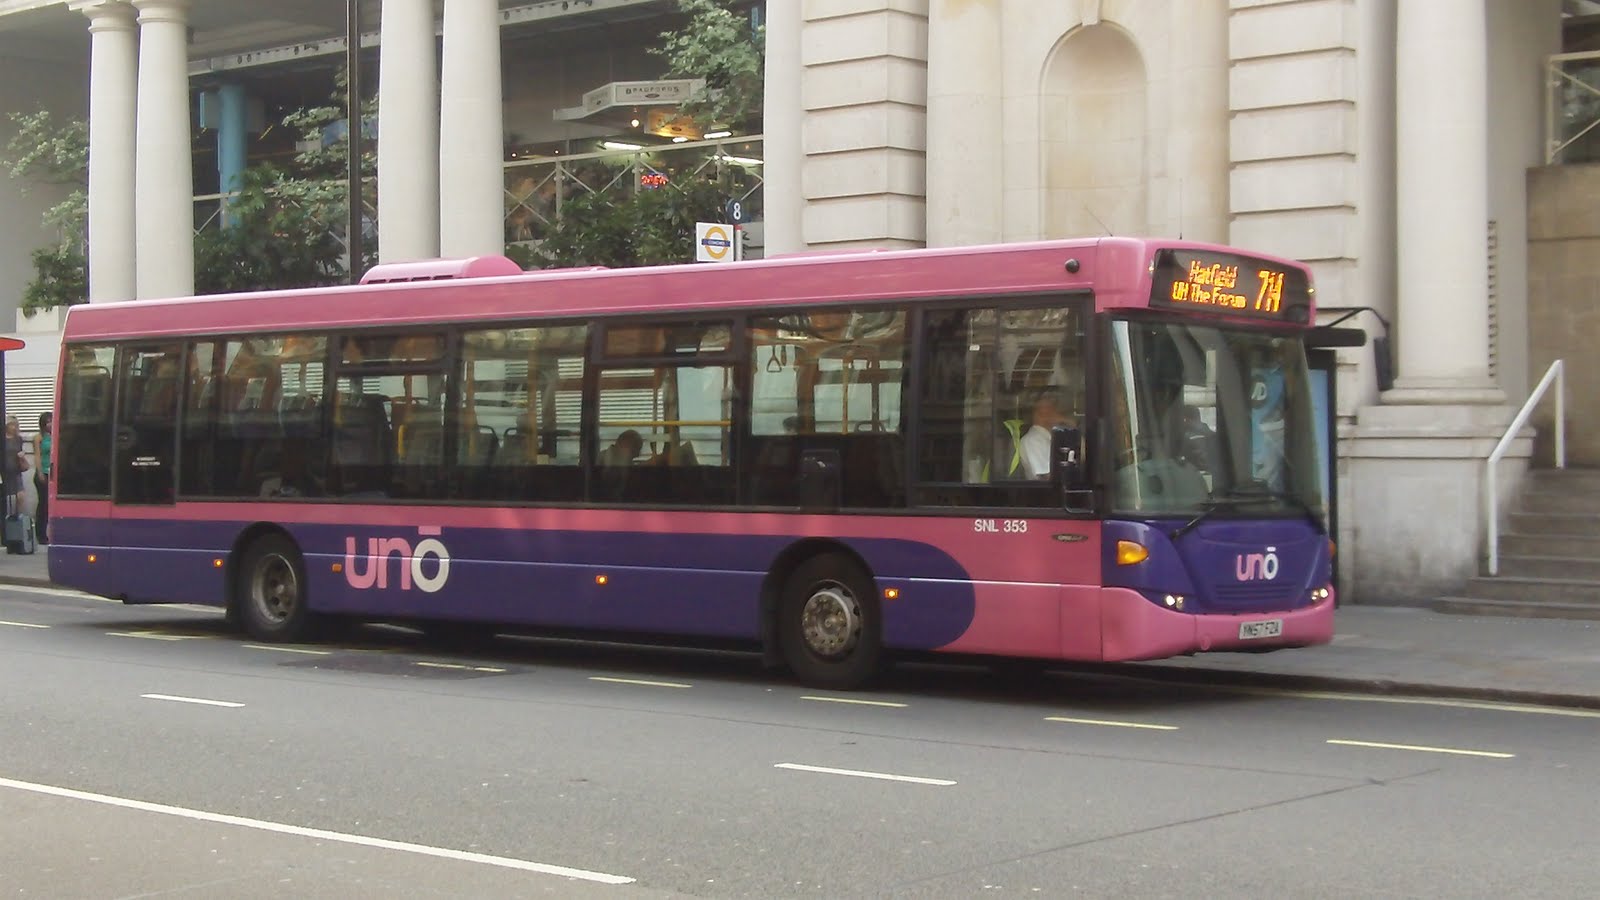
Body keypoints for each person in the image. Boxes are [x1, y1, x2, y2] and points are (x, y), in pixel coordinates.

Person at [1020, 393, 1072, 479]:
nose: (1055, 415)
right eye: (1047, 411)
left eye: (1053, 410)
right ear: (1036, 414)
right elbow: (1046, 476)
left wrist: (1069, 424)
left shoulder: (1051, 438)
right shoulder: (1033, 440)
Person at [31, 412, 50, 544]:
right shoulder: (38, 438)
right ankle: (40, 534)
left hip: (53, 473)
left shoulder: (56, 436)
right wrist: (39, 472)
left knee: (50, 505)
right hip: (42, 472)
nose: (50, 424)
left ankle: (48, 532)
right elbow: (37, 456)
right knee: (43, 504)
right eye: (47, 421)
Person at [3, 415, 24, 515]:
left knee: (20, 496)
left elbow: (20, 451)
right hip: (4, 471)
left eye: (16, 425)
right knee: (4, 496)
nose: (14, 427)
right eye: (12, 425)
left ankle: (16, 516)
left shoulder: (18, 439)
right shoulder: (2, 439)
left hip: (16, 470)